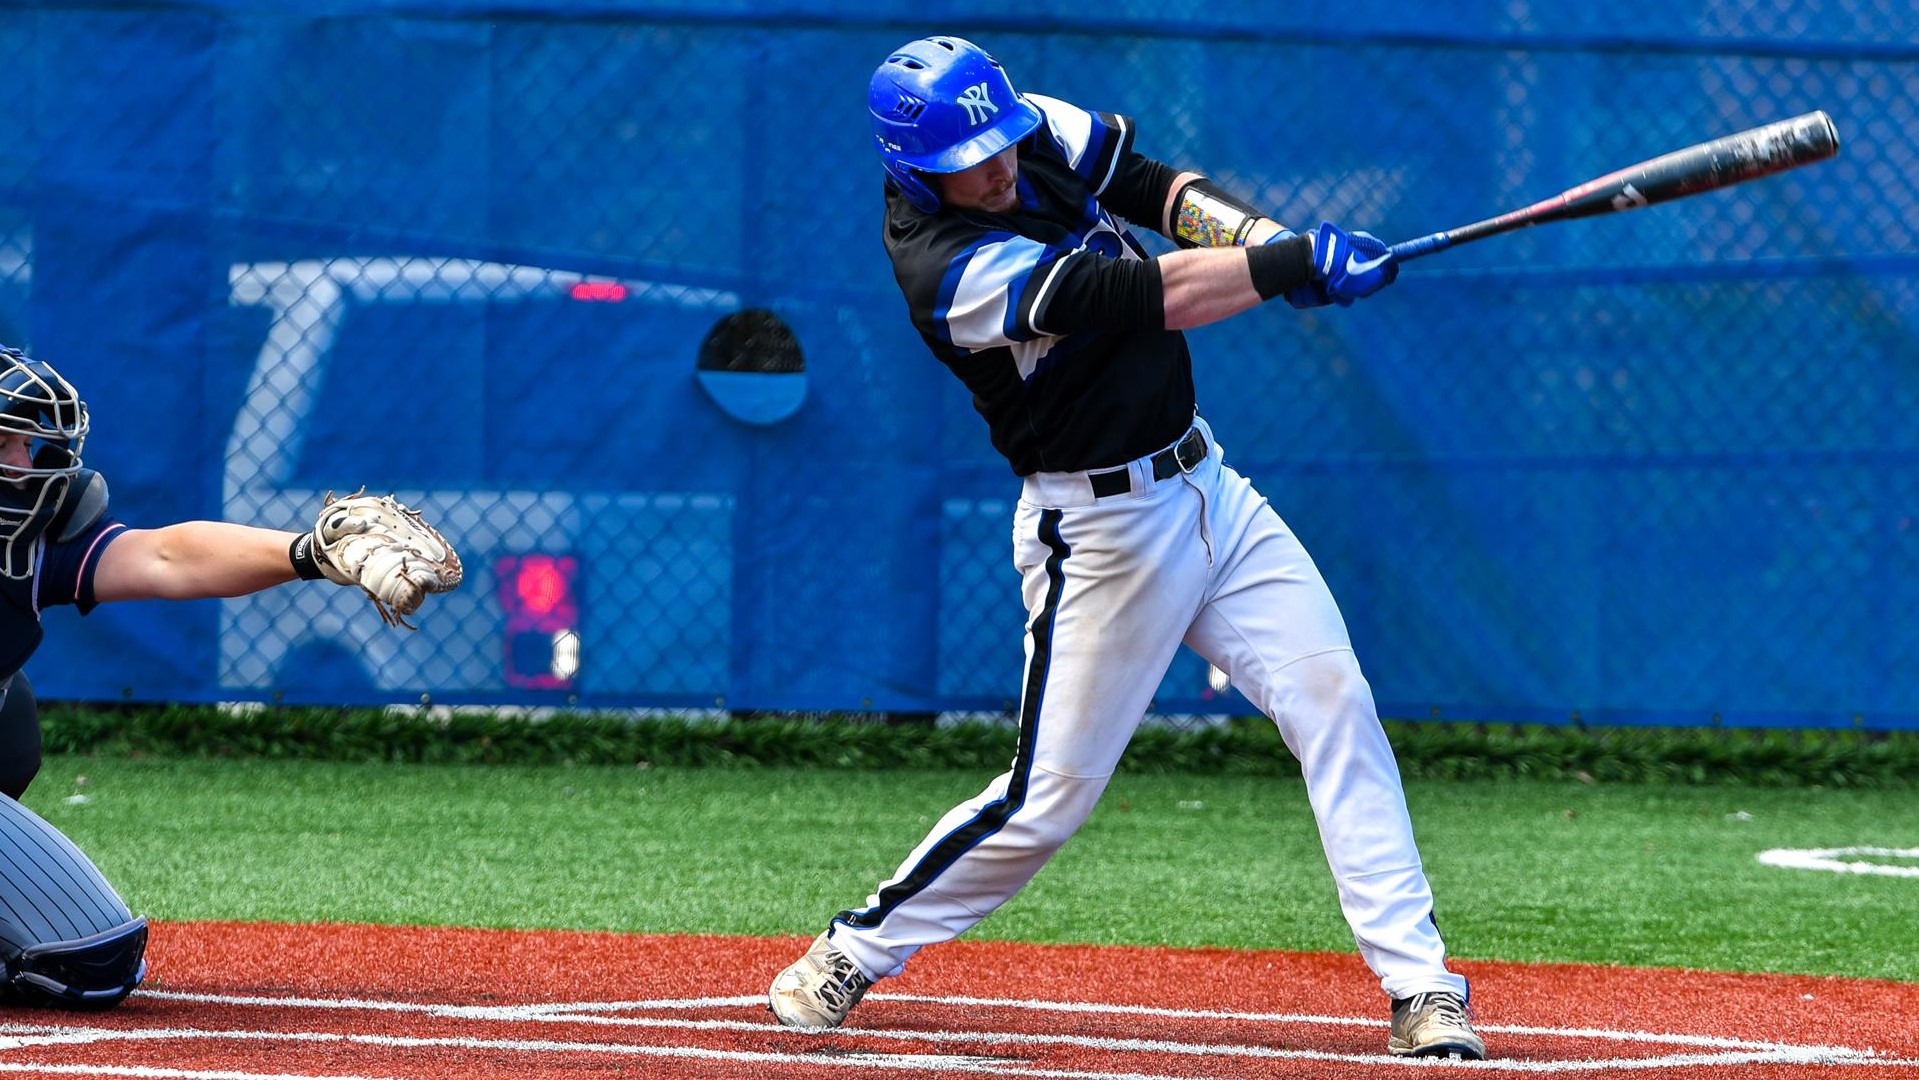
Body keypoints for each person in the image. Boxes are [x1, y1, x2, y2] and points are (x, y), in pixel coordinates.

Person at [767, 36, 1484, 1061]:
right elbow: (1150, 295)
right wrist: (1289, 265)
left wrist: (1271, 241)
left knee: (1334, 703)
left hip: (1208, 486)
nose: (998, 167)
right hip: (1099, 535)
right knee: (1045, 802)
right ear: (914, 170)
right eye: (970, 159)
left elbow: (1156, 190)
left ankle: (1420, 986)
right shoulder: (948, 269)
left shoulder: (1027, 127)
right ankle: (854, 948)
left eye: (1000, 142)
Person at [0, 344, 460, 1008]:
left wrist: (308, 552)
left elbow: (165, 557)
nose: (25, 465)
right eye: (6, 444)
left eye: (25, 444)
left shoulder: (24, 542)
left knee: (92, 961)